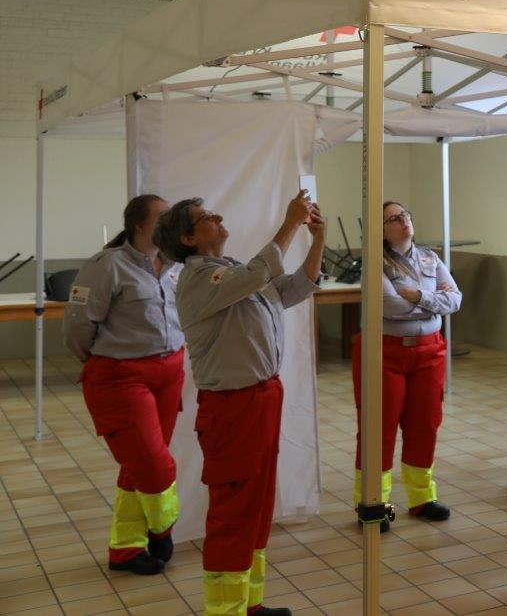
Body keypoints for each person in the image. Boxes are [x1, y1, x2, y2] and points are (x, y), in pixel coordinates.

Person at [153, 191, 324, 616]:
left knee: (258, 505)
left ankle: (249, 604)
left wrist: (317, 239)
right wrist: (290, 223)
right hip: (233, 406)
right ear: (188, 239)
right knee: (234, 509)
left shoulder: (233, 270)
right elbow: (259, 272)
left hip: (262, 397)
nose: (218, 217)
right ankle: (224, 610)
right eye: (206, 217)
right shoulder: (198, 278)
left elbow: (294, 288)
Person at [63, 195, 185, 576]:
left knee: (138, 464)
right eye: (161, 217)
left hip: (170, 373)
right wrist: (103, 361)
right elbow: (77, 328)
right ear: (139, 225)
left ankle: (126, 549)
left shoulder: (177, 265)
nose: (169, 222)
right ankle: (162, 529)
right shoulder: (107, 266)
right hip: (121, 377)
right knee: (154, 465)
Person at [351, 201, 461, 530]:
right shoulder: (375, 263)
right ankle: (374, 503)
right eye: (394, 218)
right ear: (381, 230)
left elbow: (455, 299)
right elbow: (389, 306)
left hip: (429, 352)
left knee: (425, 425)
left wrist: (418, 296)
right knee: (379, 429)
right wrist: (433, 301)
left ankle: (422, 498)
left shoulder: (430, 258)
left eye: (405, 215)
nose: (403, 221)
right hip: (385, 353)